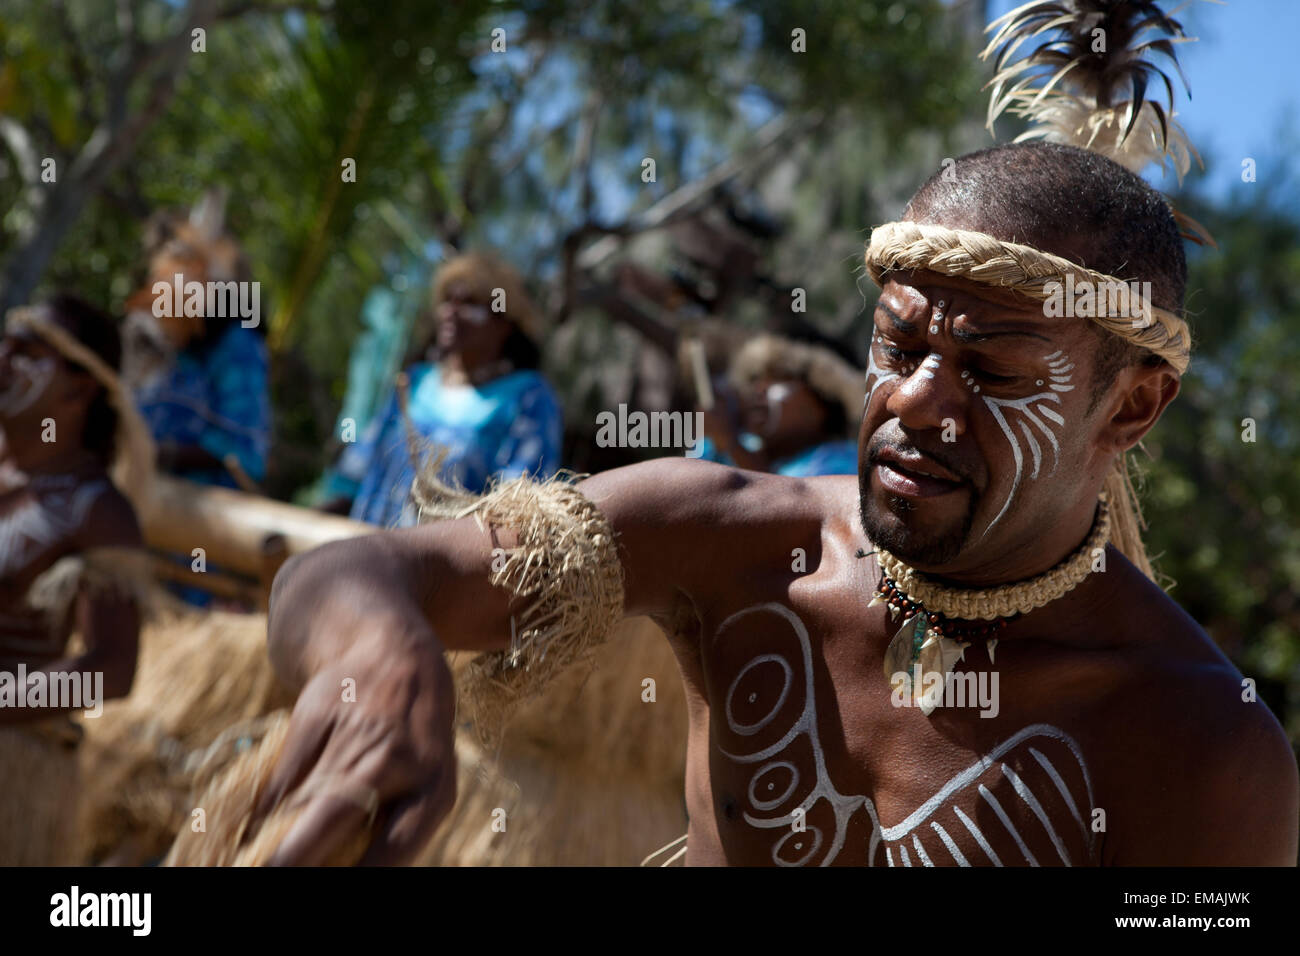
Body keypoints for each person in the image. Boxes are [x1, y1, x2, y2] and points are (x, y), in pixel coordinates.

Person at [196, 6, 1298, 865]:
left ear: (1130, 406)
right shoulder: (736, 540)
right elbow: (351, 573)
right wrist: (377, 657)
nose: (914, 398)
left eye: (990, 369)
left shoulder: (1200, 742)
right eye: (895, 344)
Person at [0, 295, 149, 865]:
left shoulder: (97, 512)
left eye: (27, 350)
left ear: (80, 387)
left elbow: (113, 670)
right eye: (5, 341)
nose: (4, 357)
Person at [320, 251, 562, 527]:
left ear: (503, 322)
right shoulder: (412, 383)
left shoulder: (528, 398)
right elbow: (356, 468)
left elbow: (519, 505)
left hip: (442, 567)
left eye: (469, 302)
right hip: (365, 551)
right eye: (447, 300)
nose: (451, 311)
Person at [124, 193, 271, 490]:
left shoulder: (237, 343)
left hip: (196, 517)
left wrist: (158, 455)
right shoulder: (150, 337)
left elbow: (245, 451)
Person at [695, 333, 863, 477]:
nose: (759, 390)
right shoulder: (733, 445)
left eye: (778, 380)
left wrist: (731, 444)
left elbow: (793, 506)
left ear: (822, 403)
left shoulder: (843, 461)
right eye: (755, 381)